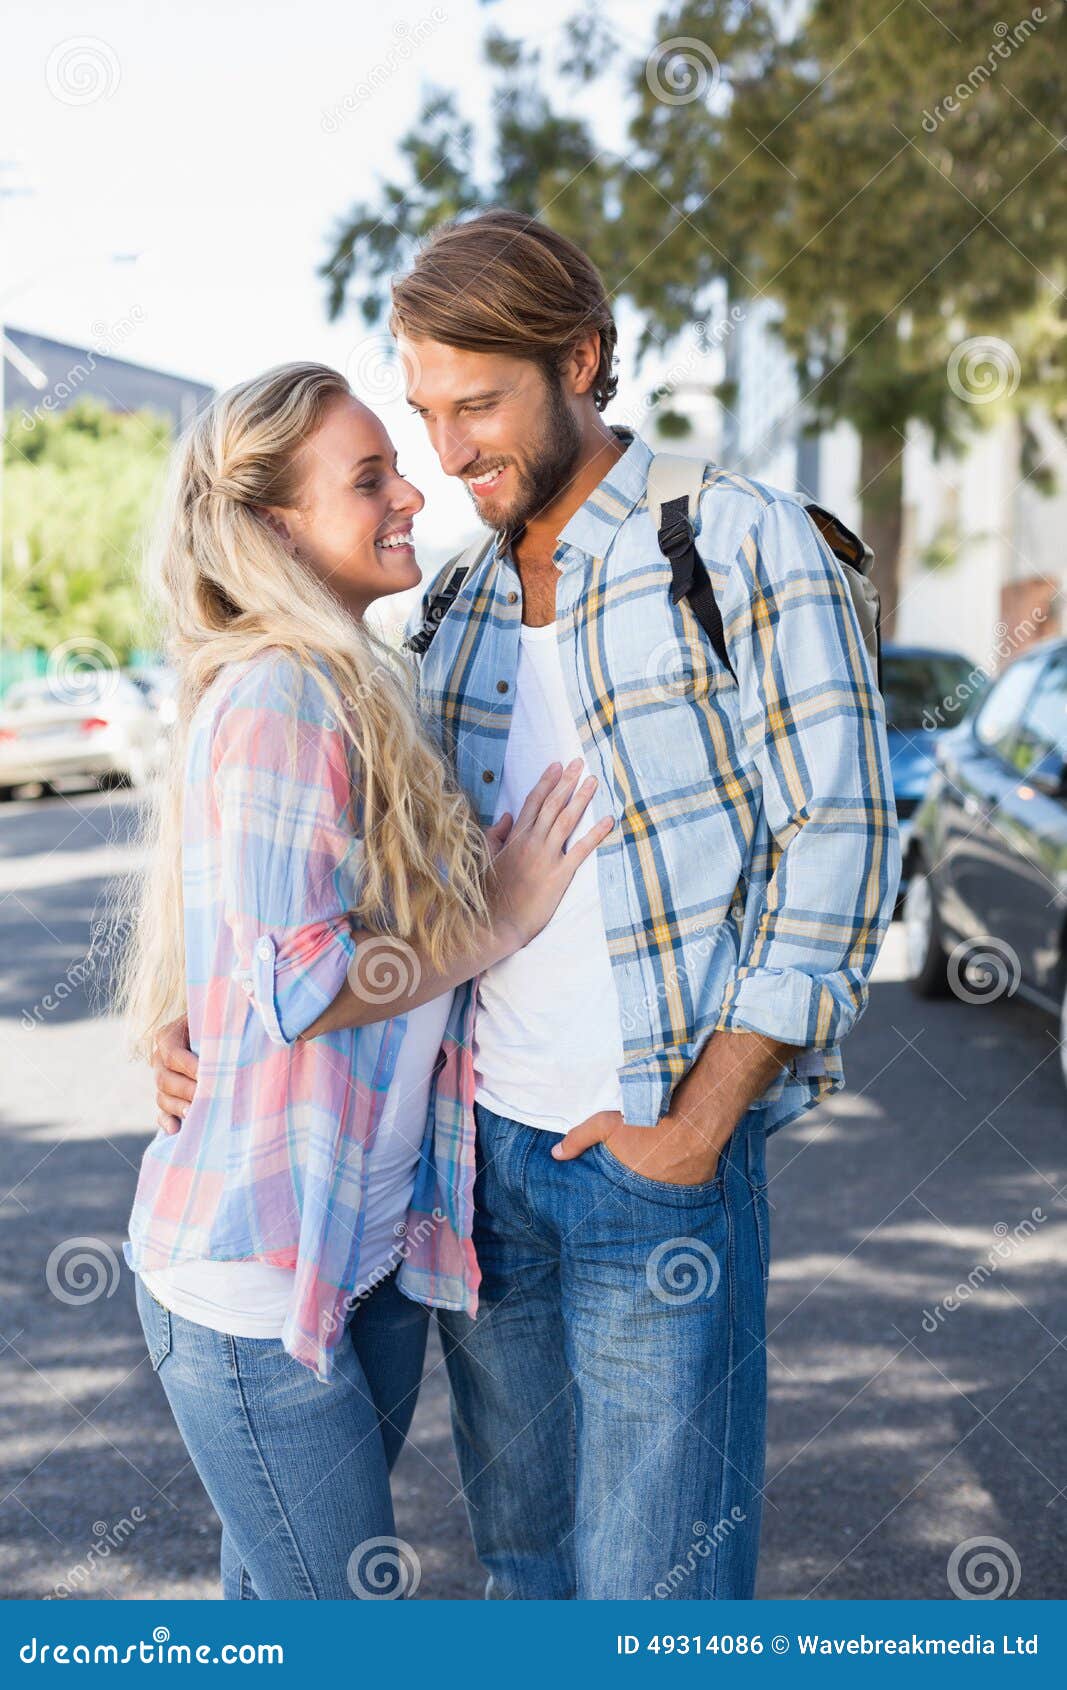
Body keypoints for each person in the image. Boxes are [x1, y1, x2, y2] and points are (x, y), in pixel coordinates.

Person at [155, 212, 900, 1600]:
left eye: (476, 405)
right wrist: (199, 1016)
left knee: (653, 1590)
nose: (447, 455)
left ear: (581, 359)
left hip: (646, 1158)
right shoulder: (453, 602)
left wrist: (698, 1120)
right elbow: (328, 874)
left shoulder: (730, 541)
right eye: (423, 415)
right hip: (470, 1174)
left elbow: (840, 838)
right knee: (525, 1564)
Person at [120, 360, 612, 1600]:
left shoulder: (351, 676)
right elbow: (301, 982)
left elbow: (249, 965)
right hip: (253, 1282)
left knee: (276, 1603)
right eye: (368, 477)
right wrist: (496, 917)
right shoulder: (285, 691)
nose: (413, 492)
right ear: (278, 524)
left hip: (361, 1248)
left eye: (397, 463)